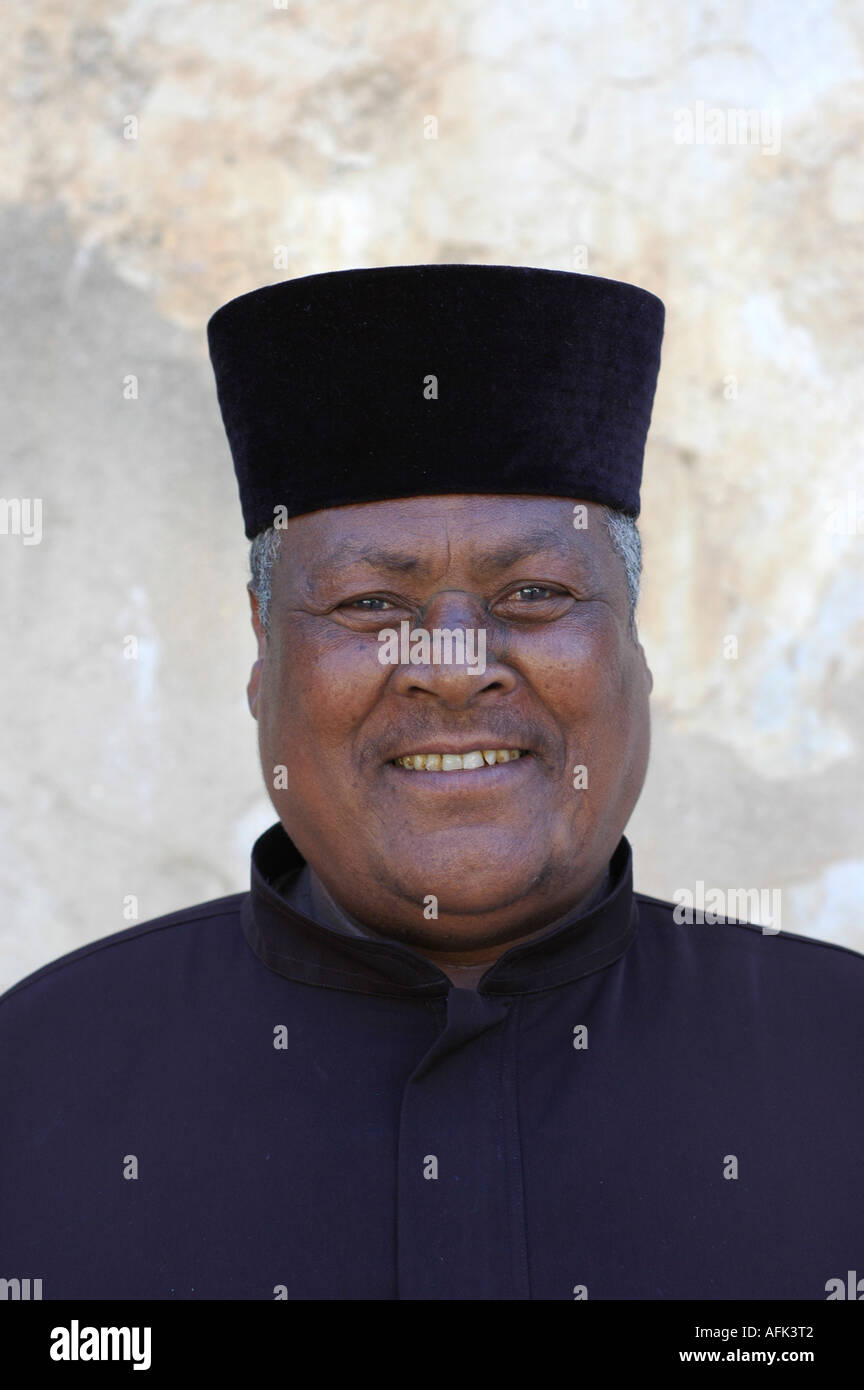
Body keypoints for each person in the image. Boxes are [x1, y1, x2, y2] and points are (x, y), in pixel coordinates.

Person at [1, 265, 861, 1301]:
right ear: (262, 654)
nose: (453, 665)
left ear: (635, 644)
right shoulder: (41, 1081)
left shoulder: (838, 1061)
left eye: (535, 593)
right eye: (369, 602)